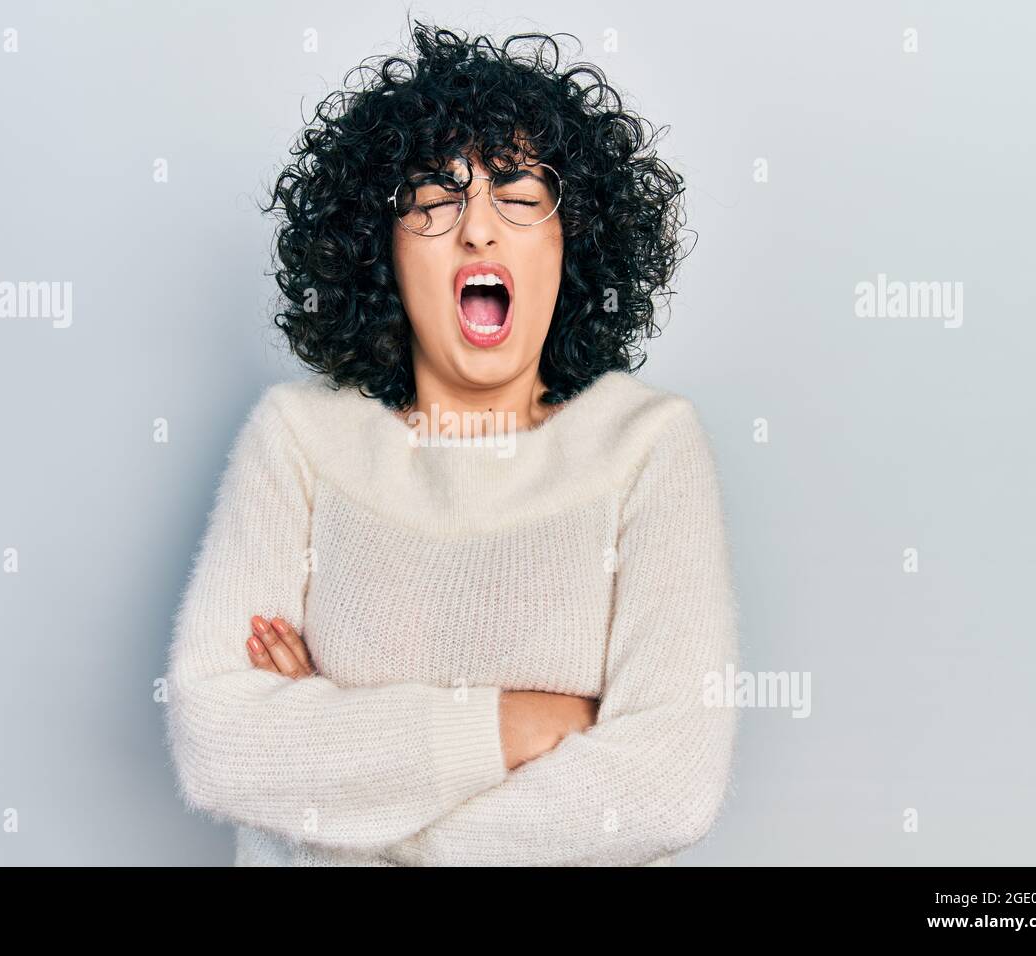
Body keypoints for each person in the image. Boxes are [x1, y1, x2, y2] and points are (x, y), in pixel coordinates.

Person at [164, 20, 739, 867]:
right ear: (380, 252)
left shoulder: (647, 447)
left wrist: (338, 773)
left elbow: (667, 785)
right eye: (433, 201)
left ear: (569, 240)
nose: (477, 230)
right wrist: (516, 724)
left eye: (517, 196)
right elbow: (218, 744)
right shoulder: (299, 439)